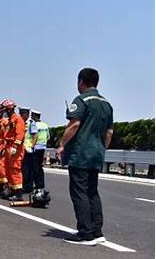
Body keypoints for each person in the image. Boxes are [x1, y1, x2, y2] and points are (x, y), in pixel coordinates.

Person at [57, 68, 113, 246]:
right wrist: (101, 148)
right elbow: (109, 132)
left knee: (79, 192)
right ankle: (97, 231)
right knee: (92, 192)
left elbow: (74, 125)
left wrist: (62, 145)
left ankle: (85, 233)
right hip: (96, 153)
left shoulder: (81, 100)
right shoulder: (106, 104)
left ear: (81, 81)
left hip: (81, 153)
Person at [1, 99, 26, 202]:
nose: (4, 112)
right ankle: (12, 190)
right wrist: (4, 148)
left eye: (5, 109)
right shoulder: (10, 120)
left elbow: (20, 135)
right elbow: (7, 135)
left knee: (15, 169)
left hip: (15, 148)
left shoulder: (18, 120)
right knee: (8, 169)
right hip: (8, 146)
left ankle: (18, 193)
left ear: (10, 109)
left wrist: (15, 147)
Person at [30, 110, 49, 190]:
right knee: (40, 167)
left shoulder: (33, 125)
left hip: (35, 147)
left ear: (35, 116)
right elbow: (48, 136)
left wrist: (31, 146)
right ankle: (41, 184)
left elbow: (33, 136)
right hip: (42, 147)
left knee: (34, 167)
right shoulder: (45, 125)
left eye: (32, 115)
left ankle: (36, 184)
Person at [20, 107, 37, 193]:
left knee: (28, 169)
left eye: (22, 114)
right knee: (22, 169)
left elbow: (35, 136)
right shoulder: (20, 122)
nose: (21, 115)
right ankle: (23, 185)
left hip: (28, 149)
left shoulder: (31, 123)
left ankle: (28, 186)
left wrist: (32, 146)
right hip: (21, 149)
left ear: (26, 114)